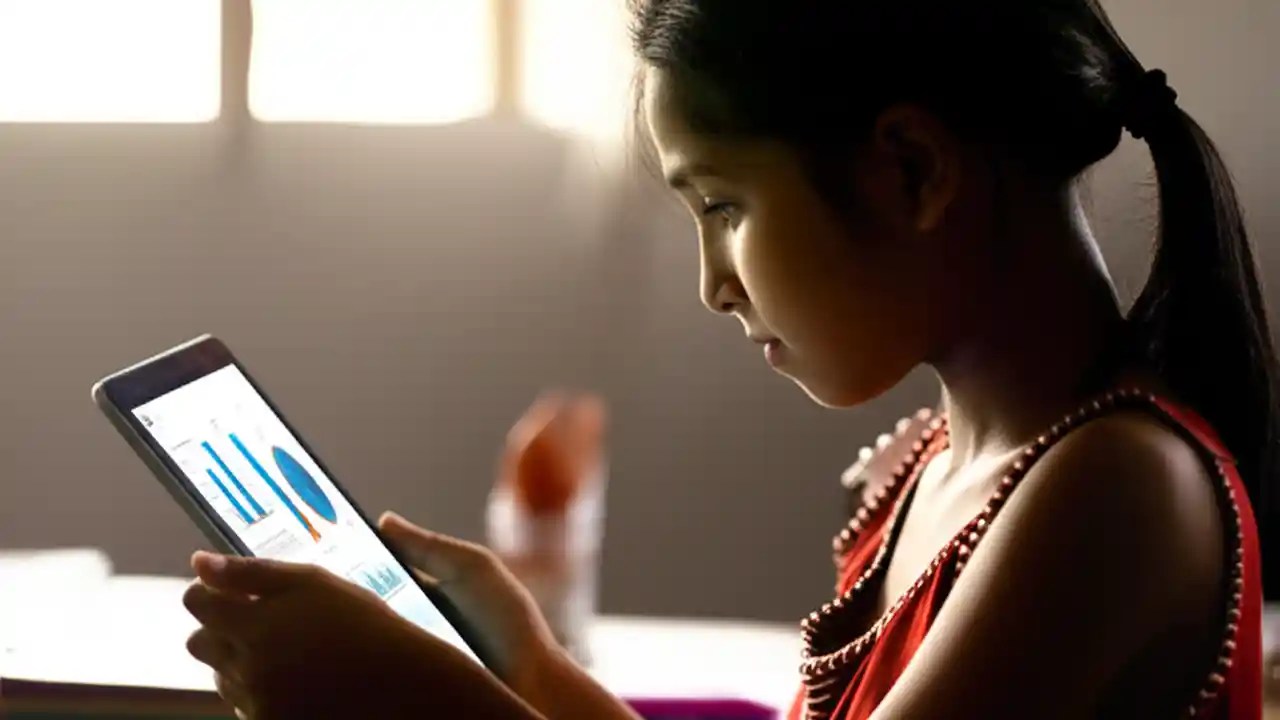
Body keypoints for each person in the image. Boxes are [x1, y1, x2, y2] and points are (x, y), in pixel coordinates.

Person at [179, 0, 1275, 717]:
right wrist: (529, 668)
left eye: (722, 205)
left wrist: (420, 706)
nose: (713, 282)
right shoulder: (941, 465)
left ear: (910, 170)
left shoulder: (1111, 493)